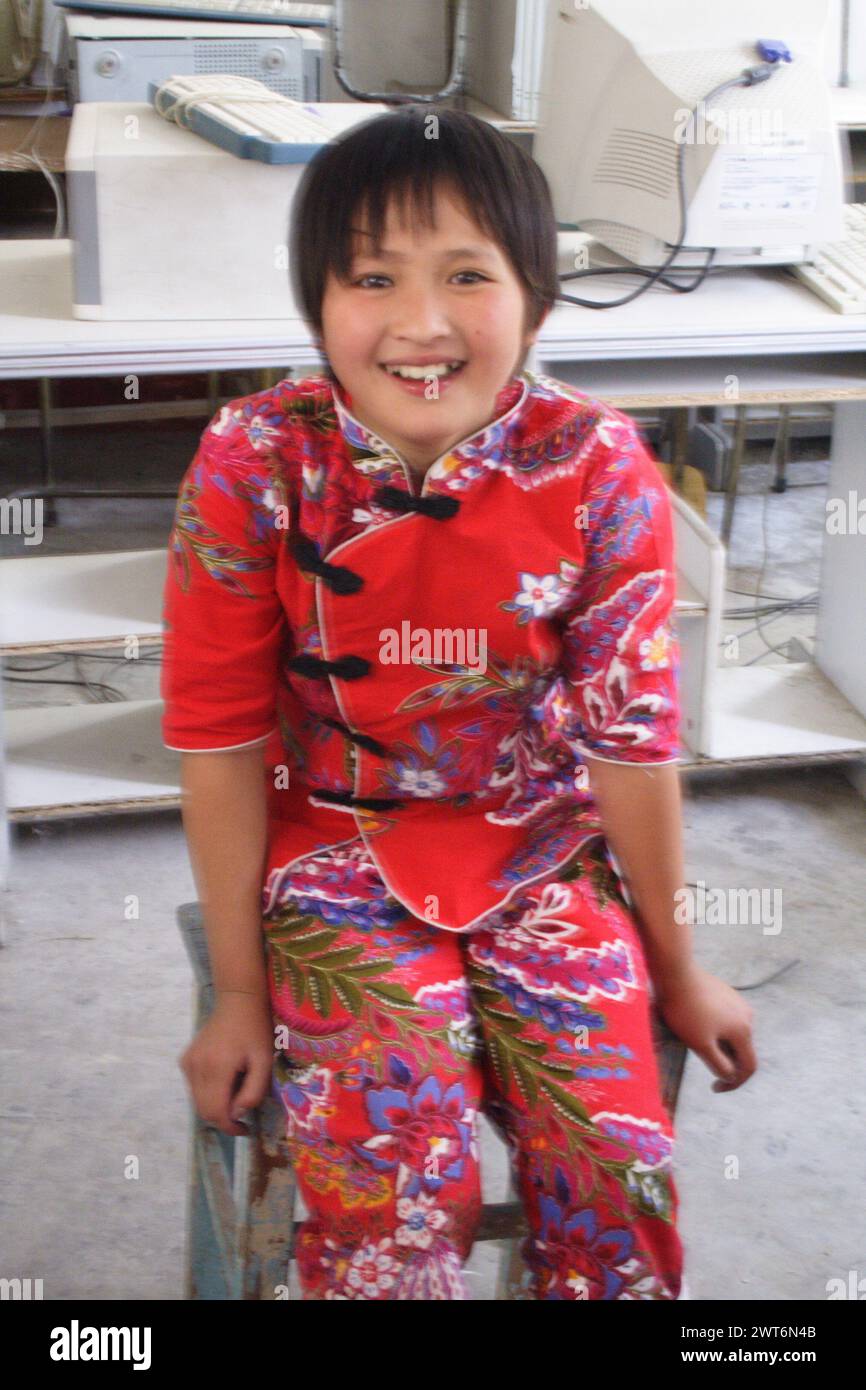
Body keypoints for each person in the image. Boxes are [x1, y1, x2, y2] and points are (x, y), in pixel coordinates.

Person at [161, 106, 757, 1301]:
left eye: (466, 275)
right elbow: (219, 738)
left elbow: (630, 743)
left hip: (540, 850)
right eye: (372, 276)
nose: (420, 325)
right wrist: (237, 992)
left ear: (533, 298)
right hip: (329, 845)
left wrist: (677, 965)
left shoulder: (598, 467)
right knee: (391, 1161)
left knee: (612, 1163)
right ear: (317, 304)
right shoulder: (252, 457)